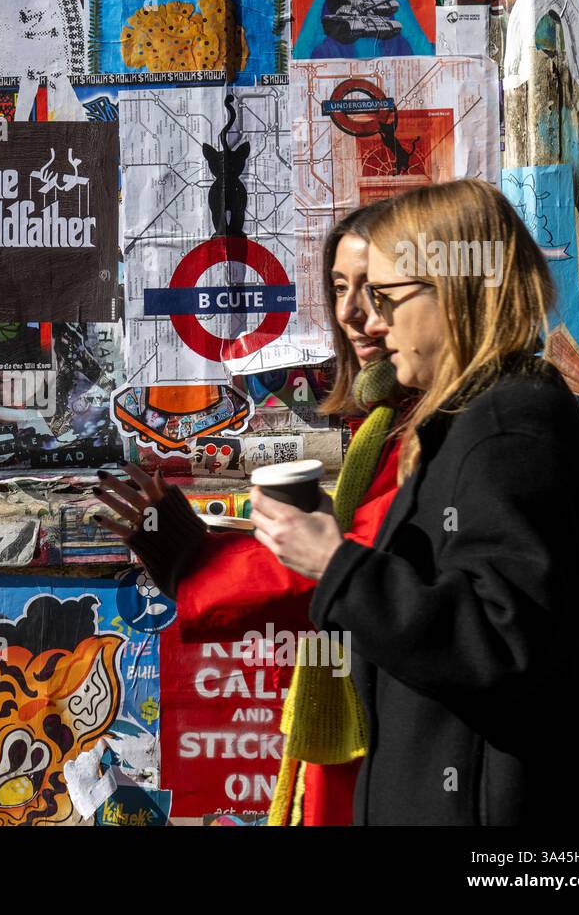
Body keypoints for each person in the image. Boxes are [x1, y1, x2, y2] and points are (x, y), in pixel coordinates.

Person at [249, 178, 579, 825]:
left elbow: (504, 648)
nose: (372, 320)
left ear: (453, 293)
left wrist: (340, 567)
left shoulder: (506, 430)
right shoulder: (477, 418)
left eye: (388, 297)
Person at [94, 200, 406, 825]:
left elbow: (343, 557)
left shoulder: (445, 429)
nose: (350, 314)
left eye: (377, 291)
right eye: (340, 289)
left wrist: (192, 559)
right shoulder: (394, 423)